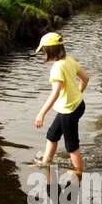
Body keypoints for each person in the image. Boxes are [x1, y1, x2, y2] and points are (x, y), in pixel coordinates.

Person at [33, 32, 89, 172]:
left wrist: (41, 113)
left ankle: (78, 172)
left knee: (72, 145)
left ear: (48, 51)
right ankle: (45, 163)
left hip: (68, 110)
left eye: (43, 50)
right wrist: (78, 92)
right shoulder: (69, 60)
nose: (43, 53)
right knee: (52, 135)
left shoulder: (57, 68)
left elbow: (55, 93)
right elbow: (85, 78)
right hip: (78, 105)